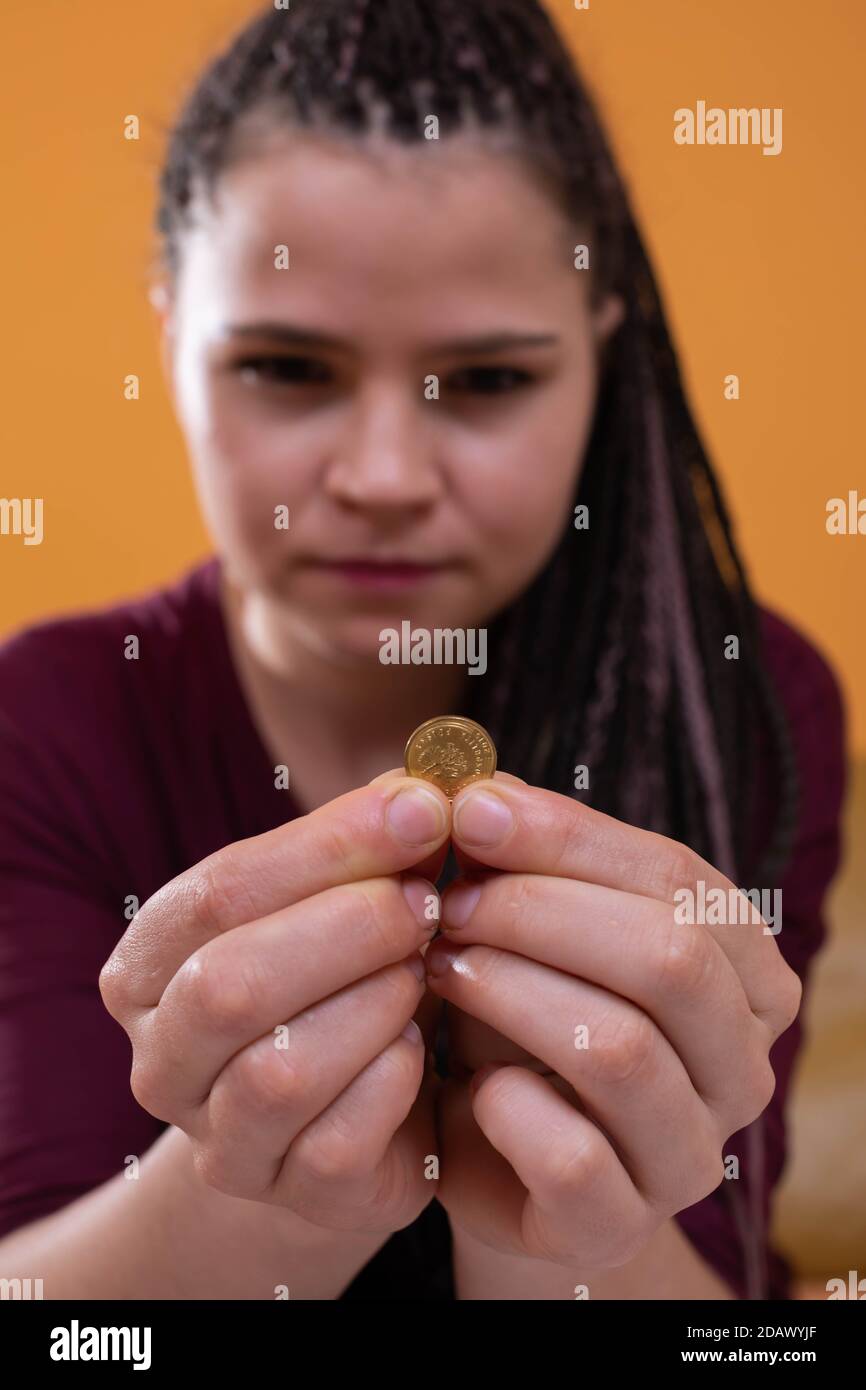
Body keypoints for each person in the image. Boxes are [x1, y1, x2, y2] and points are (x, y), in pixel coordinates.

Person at [0, 0, 846, 1300]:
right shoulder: (41, 720)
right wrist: (255, 1211)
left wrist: (562, 1226)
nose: (384, 476)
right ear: (169, 333)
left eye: (488, 382)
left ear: (600, 351)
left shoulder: (729, 689)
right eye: (286, 366)